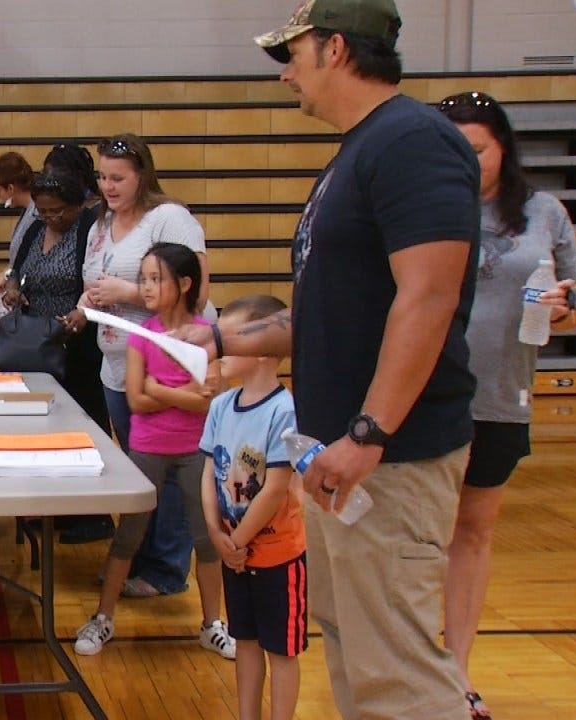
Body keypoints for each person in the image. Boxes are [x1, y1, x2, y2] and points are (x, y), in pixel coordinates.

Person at [179, 3, 481, 717]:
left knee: (398, 674)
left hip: (389, 461)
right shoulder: (360, 151)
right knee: (361, 661)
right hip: (344, 460)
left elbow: (429, 297)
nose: (286, 75)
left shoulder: (411, 141)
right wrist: (223, 340)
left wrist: (369, 432)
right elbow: (328, 317)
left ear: (336, 48)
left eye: (293, 55)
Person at [437, 91, 576, 720]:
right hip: (428, 395)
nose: (468, 161)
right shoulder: (426, 204)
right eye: (456, 150)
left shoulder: (544, 211)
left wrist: (565, 306)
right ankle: (413, 669)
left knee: (473, 531)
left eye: (478, 149)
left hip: (503, 393)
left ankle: (458, 672)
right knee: (420, 534)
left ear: (504, 147)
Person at [64, 132, 213, 594]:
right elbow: (95, 281)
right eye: (102, 177)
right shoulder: (101, 223)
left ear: (142, 176)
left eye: (118, 178)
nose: (107, 186)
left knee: (172, 469)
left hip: (168, 360)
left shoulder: (168, 218)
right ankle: (137, 560)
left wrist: (128, 292)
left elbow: (197, 293)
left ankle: (166, 569)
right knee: (140, 469)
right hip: (117, 362)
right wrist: (85, 303)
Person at [74, 243, 228, 657]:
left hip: (195, 450)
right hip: (147, 449)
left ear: (185, 283)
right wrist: (180, 393)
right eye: (142, 278)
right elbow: (137, 400)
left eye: (155, 279)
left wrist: (160, 390)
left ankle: (213, 624)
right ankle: (103, 618)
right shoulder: (142, 336)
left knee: (207, 539)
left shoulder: (206, 335)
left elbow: (208, 401)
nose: (145, 287)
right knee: (129, 535)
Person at [200, 294, 307, 720]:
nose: (220, 347)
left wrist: (237, 541)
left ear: (262, 349)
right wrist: (216, 533)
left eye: (232, 337)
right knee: (245, 641)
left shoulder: (286, 411)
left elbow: (276, 488)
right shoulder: (220, 405)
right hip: (234, 552)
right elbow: (209, 473)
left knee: (280, 650)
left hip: (277, 554)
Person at [0, 167, 114, 544]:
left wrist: (82, 313)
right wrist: (13, 288)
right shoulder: (36, 229)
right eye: (43, 211)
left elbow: (97, 283)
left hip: (78, 344)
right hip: (39, 344)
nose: (50, 218)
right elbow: (18, 270)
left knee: (85, 424)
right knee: (50, 427)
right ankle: (62, 506)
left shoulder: (89, 230)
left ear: (77, 204)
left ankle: (96, 514)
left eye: (57, 211)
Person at [0, 151, 38, 297]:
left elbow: (32, 257)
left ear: (10, 188)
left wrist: (8, 273)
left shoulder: (37, 214)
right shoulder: (28, 211)